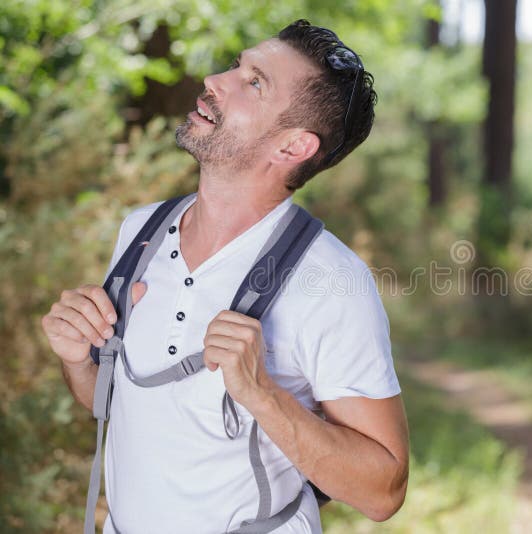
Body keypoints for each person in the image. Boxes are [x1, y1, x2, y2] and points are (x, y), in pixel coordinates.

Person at [40, 19, 409, 533]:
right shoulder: (139, 233)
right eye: (238, 65)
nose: (216, 79)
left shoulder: (331, 280)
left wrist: (263, 394)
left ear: (292, 147)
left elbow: (383, 490)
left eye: (254, 82)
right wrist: (77, 358)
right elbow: (123, 405)